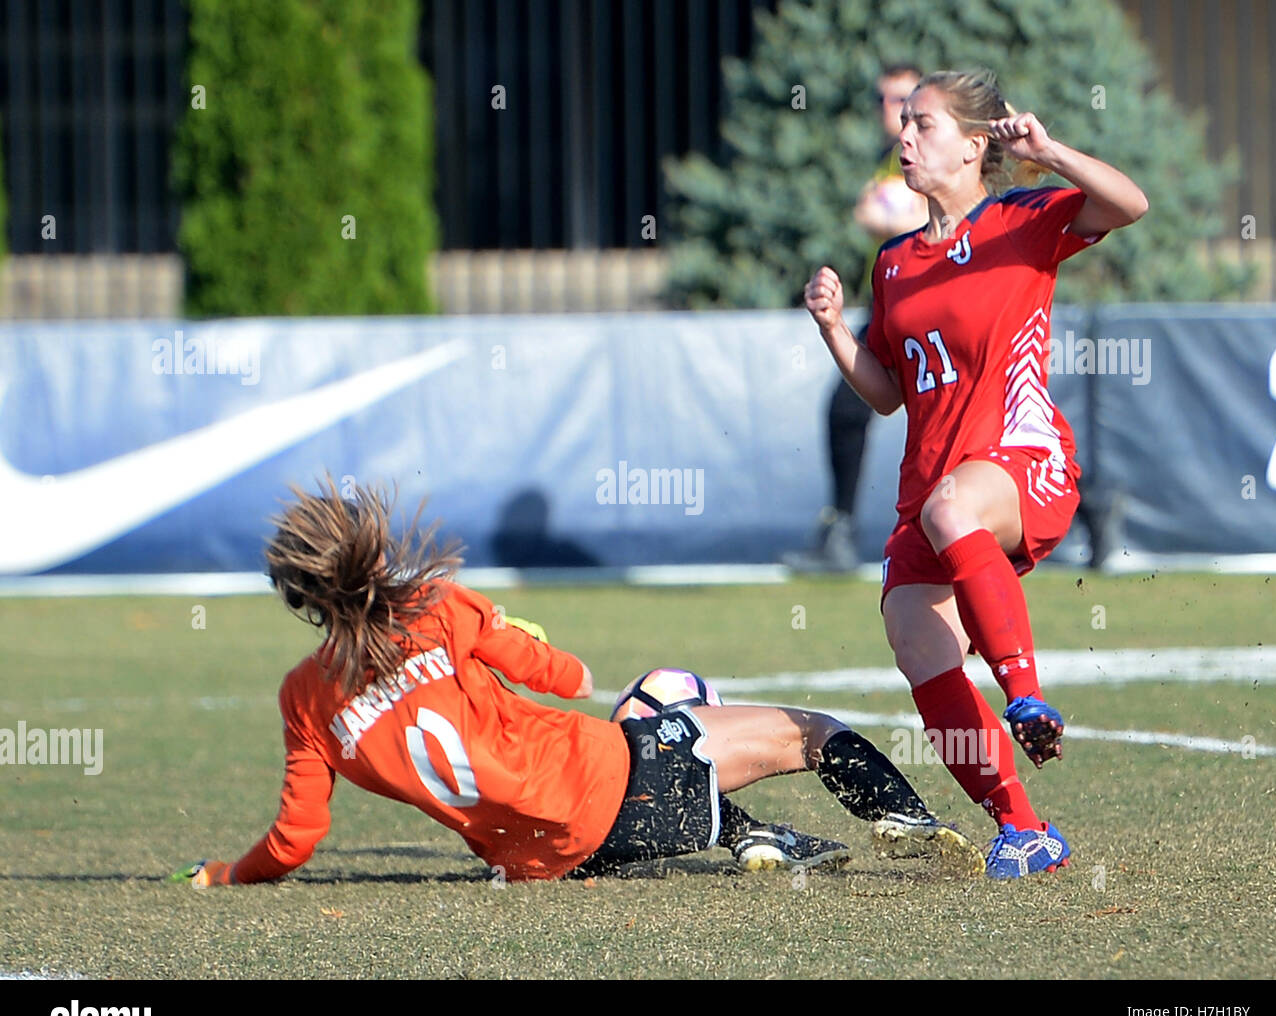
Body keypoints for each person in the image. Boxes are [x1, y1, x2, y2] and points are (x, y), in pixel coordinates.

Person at [172, 480, 984, 888]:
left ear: (302, 600)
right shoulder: (433, 606)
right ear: (371, 554)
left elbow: (296, 837)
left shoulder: (303, 696)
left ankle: (748, 835)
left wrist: (223, 875)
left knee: (646, 722)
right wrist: (550, 658)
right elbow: (558, 676)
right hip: (611, 782)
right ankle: (905, 820)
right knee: (729, 708)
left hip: (545, 859)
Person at [804, 69, 1147, 878]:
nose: (906, 137)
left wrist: (1049, 152)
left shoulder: (1023, 219)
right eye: (905, 124)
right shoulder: (894, 263)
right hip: (928, 495)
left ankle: (1025, 695)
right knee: (915, 642)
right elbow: (887, 395)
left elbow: (1129, 205)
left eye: (924, 124)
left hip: (1022, 463)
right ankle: (1025, 831)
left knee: (956, 508)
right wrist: (830, 329)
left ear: (973, 143)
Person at [786, 63, 928, 573]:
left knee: (976, 419)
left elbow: (926, 215)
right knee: (848, 409)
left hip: (933, 304)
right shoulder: (891, 157)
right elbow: (878, 212)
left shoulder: (931, 151)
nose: (889, 111)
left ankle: (1091, 504)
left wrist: (887, 214)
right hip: (893, 304)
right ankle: (840, 531)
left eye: (902, 100)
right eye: (883, 100)